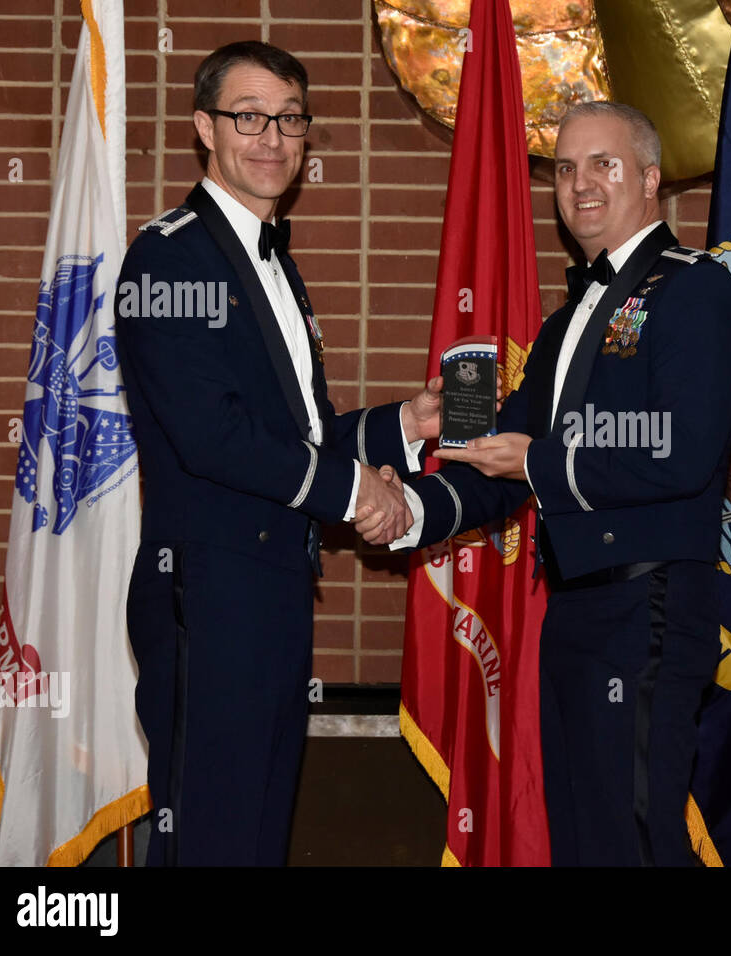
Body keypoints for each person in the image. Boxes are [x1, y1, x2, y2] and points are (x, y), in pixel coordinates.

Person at [367, 102, 731, 866]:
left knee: (635, 837)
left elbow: (683, 452)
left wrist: (539, 463)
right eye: (566, 169)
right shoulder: (566, 319)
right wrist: (408, 506)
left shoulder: (694, 290)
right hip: (576, 609)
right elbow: (493, 460)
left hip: (651, 603)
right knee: (582, 838)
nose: (580, 185)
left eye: (603, 164)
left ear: (649, 180)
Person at [115, 41, 432, 865]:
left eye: (290, 119)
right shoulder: (170, 256)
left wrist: (408, 423)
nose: (272, 138)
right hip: (207, 594)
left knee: (256, 838)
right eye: (248, 117)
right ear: (204, 130)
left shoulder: (271, 260)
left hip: (273, 591)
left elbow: (299, 436)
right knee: (212, 836)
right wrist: (355, 491)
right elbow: (213, 437)